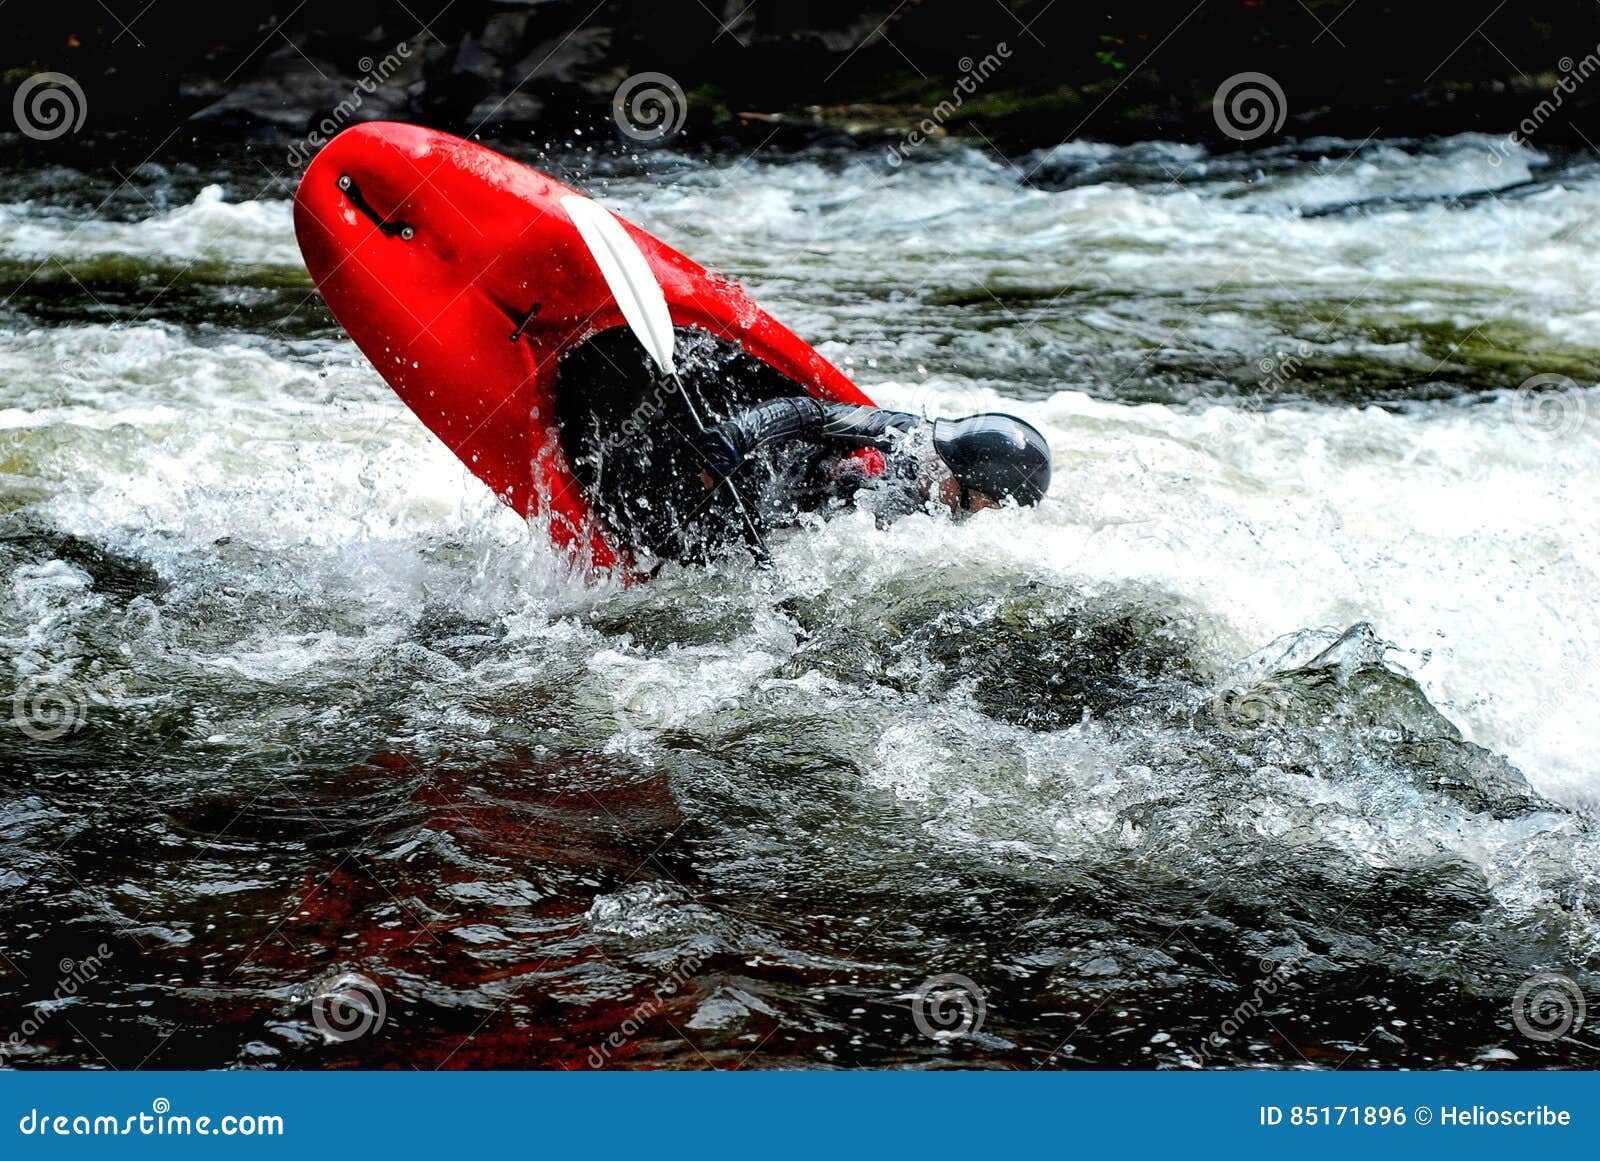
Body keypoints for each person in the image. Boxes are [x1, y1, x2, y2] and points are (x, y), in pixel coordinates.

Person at [695, 396, 1052, 525]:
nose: (963, 516)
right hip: (744, 484)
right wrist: (738, 434)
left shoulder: (947, 530)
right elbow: (810, 412)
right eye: (965, 504)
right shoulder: (898, 436)